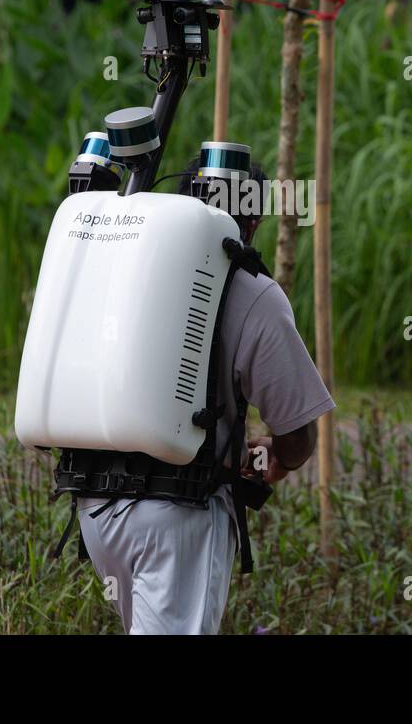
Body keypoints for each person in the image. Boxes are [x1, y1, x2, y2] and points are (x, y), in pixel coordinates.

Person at [77, 158, 335, 634]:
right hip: (180, 515)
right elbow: (297, 433)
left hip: (96, 506)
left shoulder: (130, 269)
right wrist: (278, 457)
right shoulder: (254, 293)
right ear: (252, 222)